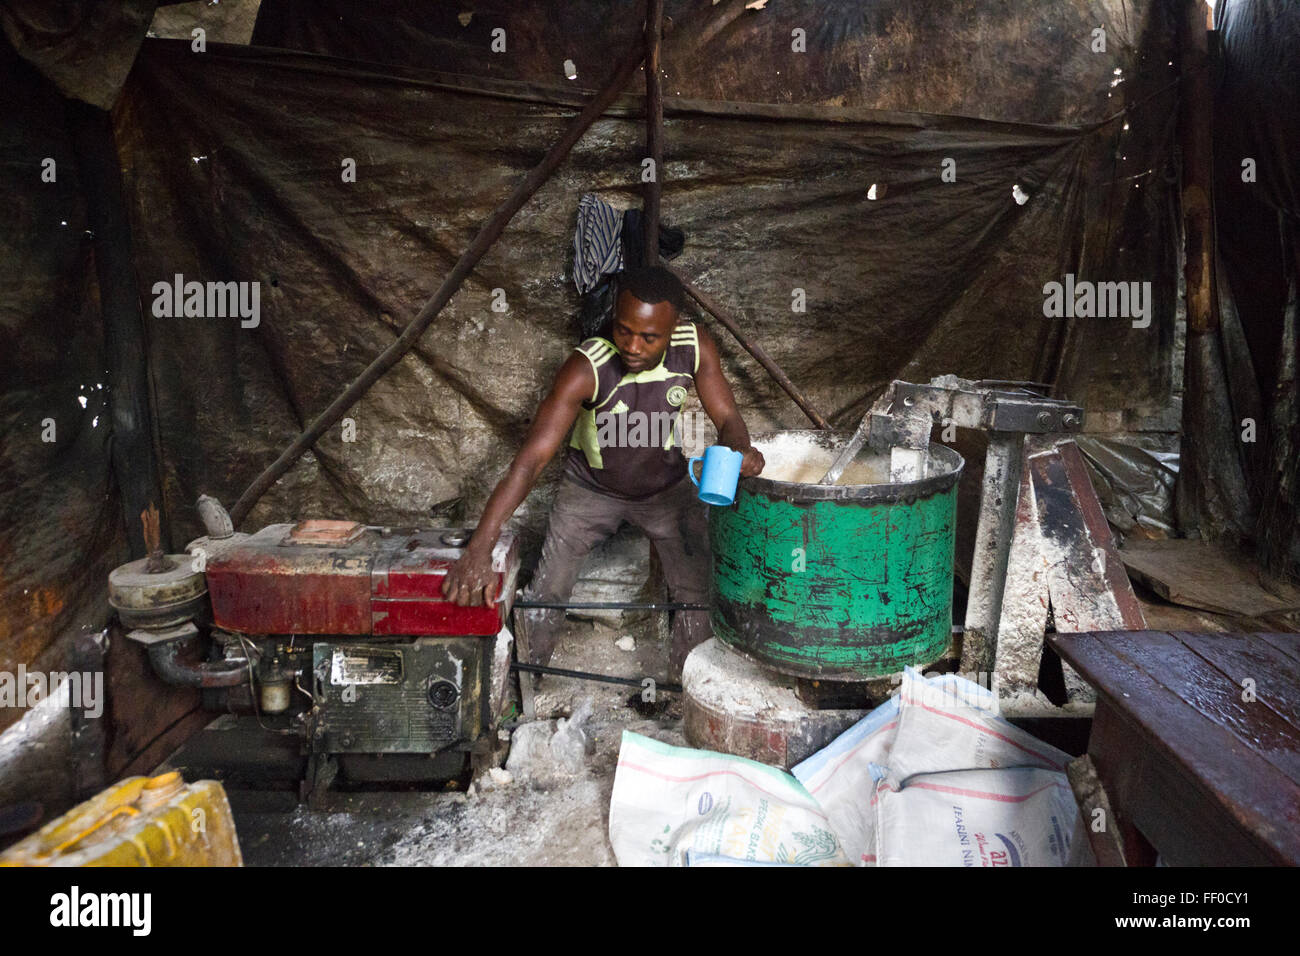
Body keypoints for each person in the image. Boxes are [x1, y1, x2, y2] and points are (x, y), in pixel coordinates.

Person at [440, 266, 764, 680]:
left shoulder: (695, 346)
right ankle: (525, 683)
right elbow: (529, 462)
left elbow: (728, 416)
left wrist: (738, 450)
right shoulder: (586, 367)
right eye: (623, 329)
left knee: (696, 592)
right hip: (589, 490)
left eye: (649, 337)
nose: (631, 346)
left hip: (665, 489)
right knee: (548, 591)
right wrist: (478, 550)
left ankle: (686, 689)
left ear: (673, 328)